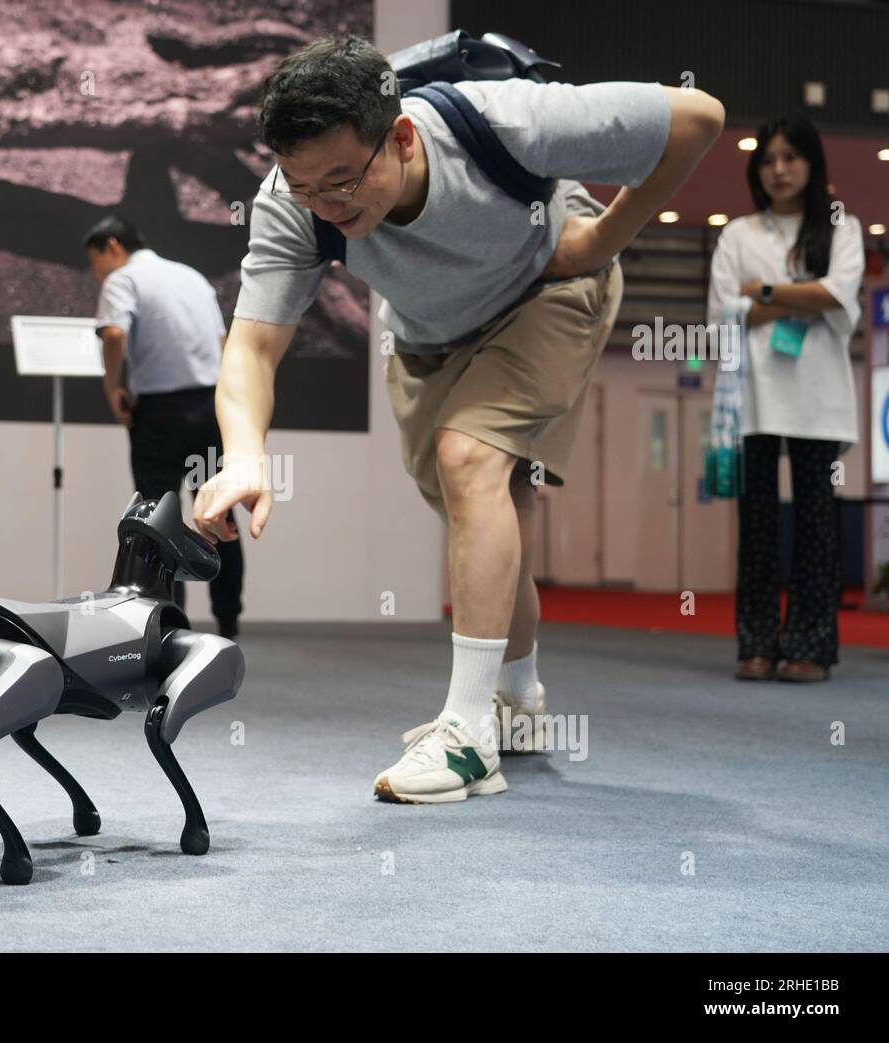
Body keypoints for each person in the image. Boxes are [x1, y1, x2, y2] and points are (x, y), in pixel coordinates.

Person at [192, 35, 723, 803]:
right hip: (429, 340)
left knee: (468, 457)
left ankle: (470, 732)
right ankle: (519, 700)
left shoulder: (504, 122)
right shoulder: (292, 201)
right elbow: (252, 345)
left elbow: (698, 117)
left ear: (401, 137)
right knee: (488, 511)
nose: (329, 206)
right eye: (308, 189)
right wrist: (243, 453)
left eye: (344, 180)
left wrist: (608, 233)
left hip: (550, 291)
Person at [708, 116, 864, 683]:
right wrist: (802, 299)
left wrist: (763, 293)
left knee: (818, 528)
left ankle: (809, 647)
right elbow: (724, 313)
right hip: (753, 401)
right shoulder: (738, 235)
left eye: (790, 158)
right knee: (756, 527)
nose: (778, 169)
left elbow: (837, 294)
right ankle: (756, 644)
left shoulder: (841, 228)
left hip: (820, 402)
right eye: (769, 159)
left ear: (812, 164)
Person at [86, 215, 243, 637]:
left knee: (158, 518)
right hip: (211, 405)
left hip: (158, 413)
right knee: (217, 514)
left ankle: (169, 623)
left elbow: (115, 335)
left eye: (94, 260)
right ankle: (228, 620)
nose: (95, 272)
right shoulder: (191, 276)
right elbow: (223, 341)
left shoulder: (122, 279)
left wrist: (112, 386)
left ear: (112, 246)